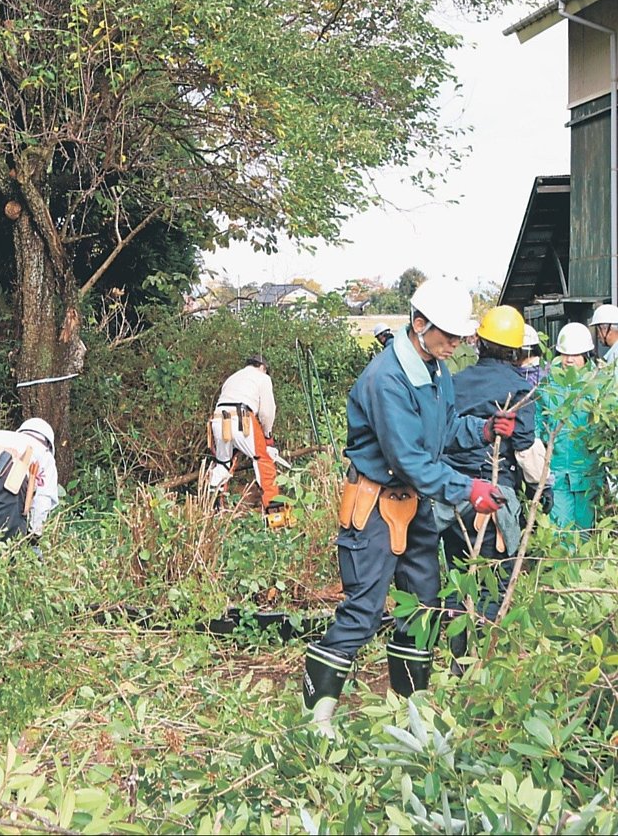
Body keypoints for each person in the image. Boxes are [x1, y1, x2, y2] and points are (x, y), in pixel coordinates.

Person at [301, 277, 514, 737]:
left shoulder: (436, 370)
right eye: (448, 335)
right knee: (364, 610)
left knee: (422, 606)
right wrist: (467, 488)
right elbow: (409, 459)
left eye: (459, 335)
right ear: (420, 324)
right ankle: (316, 722)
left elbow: (444, 430)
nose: (456, 344)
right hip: (375, 504)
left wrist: (482, 430)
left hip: (415, 504)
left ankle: (409, 713)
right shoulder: (387, 379)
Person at [433, 306, 534, 670]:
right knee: (494, 581)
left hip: (454, 495)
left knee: (459, 575)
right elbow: (525, 446)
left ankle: (458, 663)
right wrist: (541, 490)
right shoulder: (520, 389)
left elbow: (441, 434)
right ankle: (485, 667)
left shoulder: (454, 381)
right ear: (517, 350)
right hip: (493, 496)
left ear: (480, 343)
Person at [536, 322, 601, 536]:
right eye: (565, 354)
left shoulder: (598, 385)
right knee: (560, 534)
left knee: (586, 533)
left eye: (575, 354)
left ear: (586, 355)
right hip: (556, 475)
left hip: (589, 475)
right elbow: (537, 426)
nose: (569, 360)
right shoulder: (547, 386)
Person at [0, 418, 60, 550]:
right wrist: (34, 536)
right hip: (5, 478)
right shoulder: (44, 454)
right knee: (13, 543)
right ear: (48, 444)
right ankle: (6, 559)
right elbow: (43, 500)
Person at [208, 356, 286, 513]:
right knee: (263, 459)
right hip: (241, 418)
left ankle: (213, 507)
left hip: (218, 420)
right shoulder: (263, 378)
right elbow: (267, 412)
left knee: (223, 464)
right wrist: (267, 435)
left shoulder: (232, 378)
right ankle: (274, 510)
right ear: (263, 367)